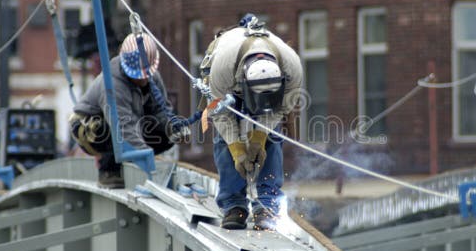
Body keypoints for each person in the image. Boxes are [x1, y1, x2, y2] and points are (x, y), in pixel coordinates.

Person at [203, 14, 303, 230]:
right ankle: (233, 205)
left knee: (272, 137)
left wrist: (258, 137)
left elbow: (281, 108)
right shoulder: (222, 70)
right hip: (230, 88)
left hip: (269, 94)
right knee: (225, 141)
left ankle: (267, 204)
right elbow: (220, 115)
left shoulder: (292, 67)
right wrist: (237, 149)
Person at [70, 33, 182, 187]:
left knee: (167, 134)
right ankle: (109, 172)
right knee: (109, 130)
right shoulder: (113, 85)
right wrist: (147, 161)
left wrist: (172, 127)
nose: (142, 79)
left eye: (145, 75)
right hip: (90, 127)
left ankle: (130, 162)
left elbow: (161, 111)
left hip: (130, 123)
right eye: (137, 75)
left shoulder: (153, 78)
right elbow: (122, 127)